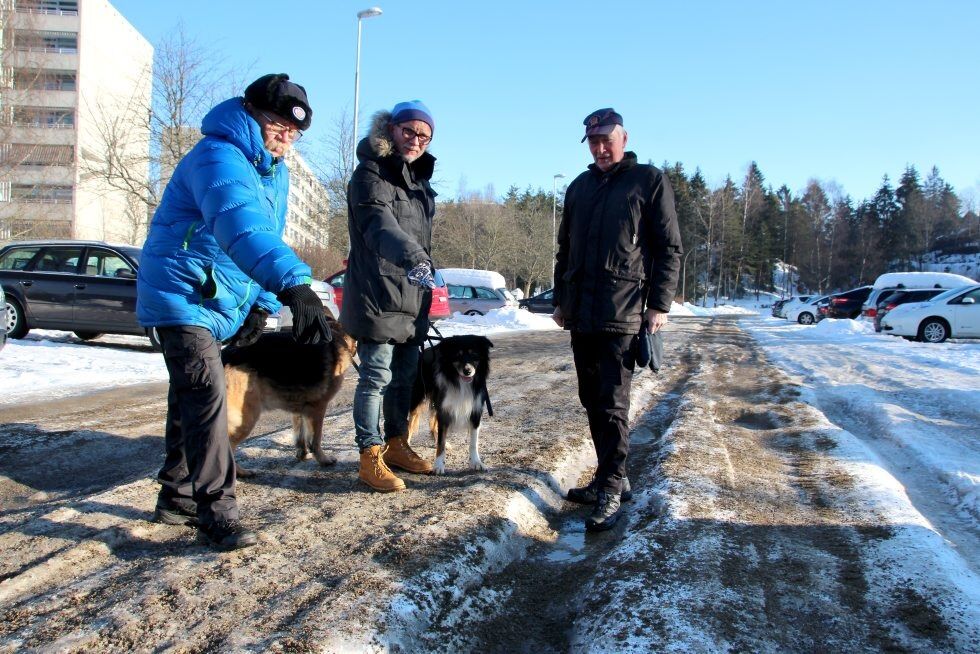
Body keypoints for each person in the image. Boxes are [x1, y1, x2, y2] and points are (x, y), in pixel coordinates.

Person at [137, 74, 331, 550]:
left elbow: (269, 233)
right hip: (181, 294)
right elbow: (241, 227)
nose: (285, 137)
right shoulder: (217, 156)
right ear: (249, 112)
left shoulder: (273, 171)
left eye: (294, 131)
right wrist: (293, 285)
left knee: (190, 394)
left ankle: (177, 496)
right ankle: (217, 514)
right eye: (277, 124)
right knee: (208, 394)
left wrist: (261, 306)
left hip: (215, 295)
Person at [553, 108, 682, 532]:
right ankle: (612, 477)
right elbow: (565, 250)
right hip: (582, 313)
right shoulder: (579, 187)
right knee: (591, 398)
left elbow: (669, 248)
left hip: (623, 312)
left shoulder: (648, 181)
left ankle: (610, 488)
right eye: (593, 141)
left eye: (606, 140)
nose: (600, 148)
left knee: (611, 403)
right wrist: (561, 301)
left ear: (623, 139)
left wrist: (658, 305)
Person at [342, 100, 439, 492]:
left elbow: (420, 238)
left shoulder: (419, 183)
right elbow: (378, 224)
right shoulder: (370, 173)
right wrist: (414, 258)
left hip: (412, 296)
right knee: (376, 378)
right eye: (409, 131)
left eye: (424, 136)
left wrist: (425, 269)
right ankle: (370, 454)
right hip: (377, 292)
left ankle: (397, 443)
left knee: (404, 378)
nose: (415, 140)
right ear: (391, 129)